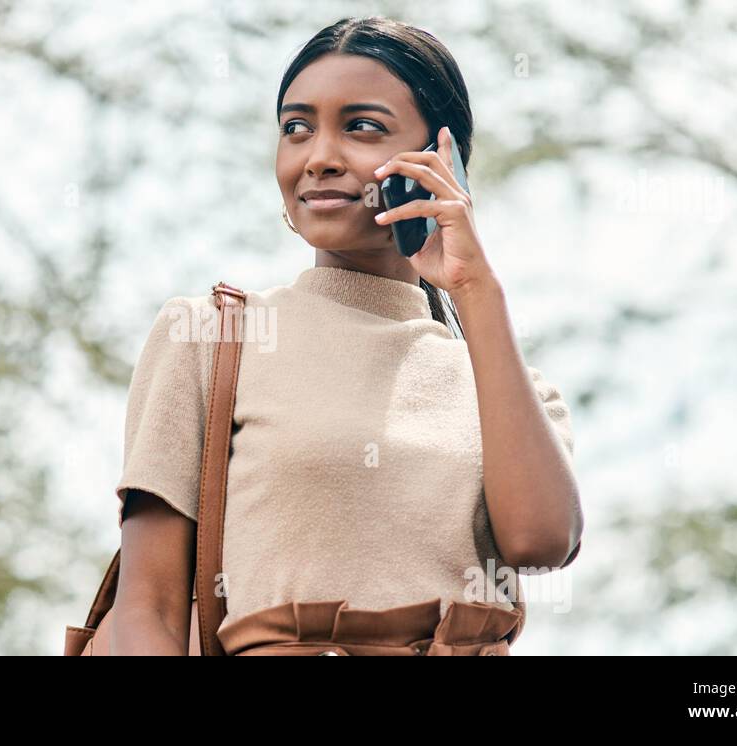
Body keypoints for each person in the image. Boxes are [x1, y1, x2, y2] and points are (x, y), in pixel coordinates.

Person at [111, 16, 583, 656]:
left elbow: (541, 544)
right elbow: (149, 611)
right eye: (296, 129)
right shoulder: (211, 336)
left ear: (443, 162)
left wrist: (476, 290)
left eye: (361, 127)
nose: (319, 157)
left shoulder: (513, 391)